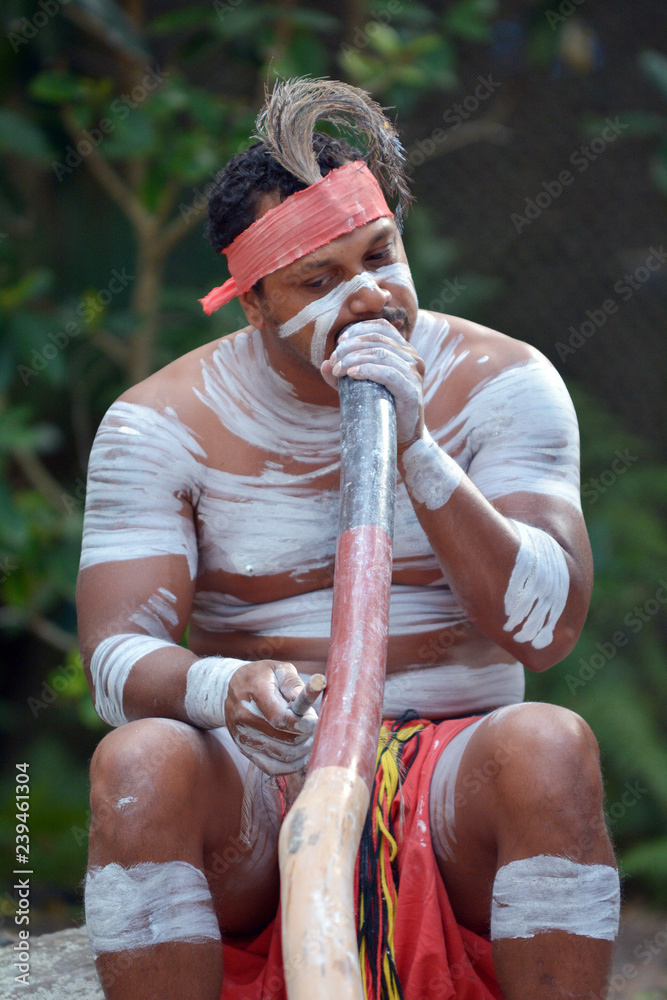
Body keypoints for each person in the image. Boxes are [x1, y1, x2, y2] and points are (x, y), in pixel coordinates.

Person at [77, 77, 619, 1000]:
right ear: (252, 303)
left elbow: (548, 632)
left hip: (457, 780)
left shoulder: (502, 382)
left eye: (380, 256)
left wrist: (418, 451)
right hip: (259, 776)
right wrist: (226, 686)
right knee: (138, 762)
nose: (368, 298)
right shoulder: (160, 423)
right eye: (318, 281)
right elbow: (111, 665)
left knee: (548, 744)